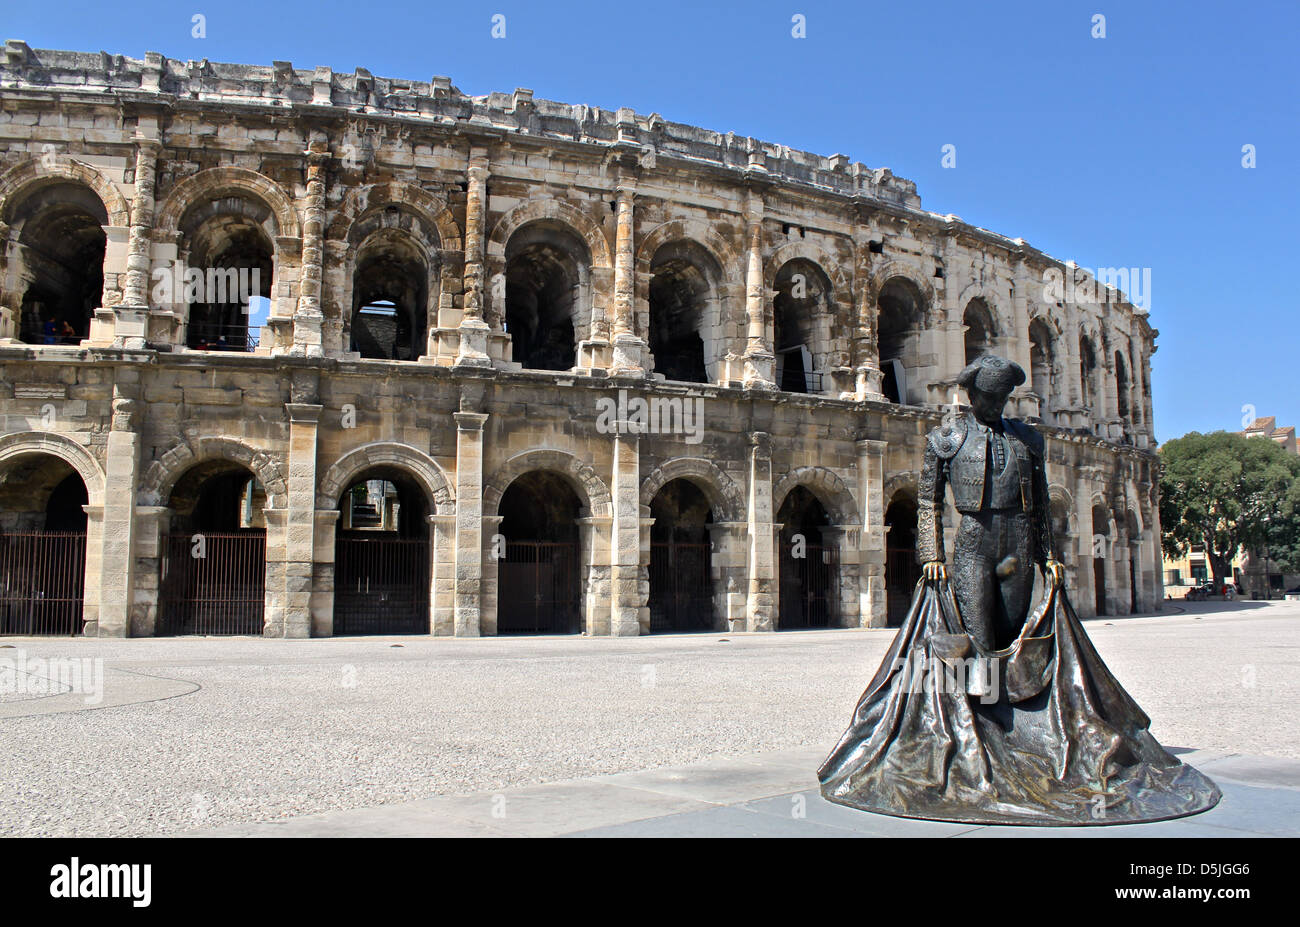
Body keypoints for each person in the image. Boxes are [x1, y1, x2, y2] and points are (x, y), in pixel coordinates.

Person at [818, 354, 1221, 826]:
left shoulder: (1028, 438)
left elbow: (1043, 500)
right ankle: (981, 731)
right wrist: (931, 555)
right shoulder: (945, 439)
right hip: (973, 541)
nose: (996, 403)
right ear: (972, 396)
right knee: (979, 633)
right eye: (989, 396)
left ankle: (1018, 730)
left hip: (1019, 540)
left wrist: (1048, 553)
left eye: (1002, 396)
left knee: (1017, 630)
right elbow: (927, 501)